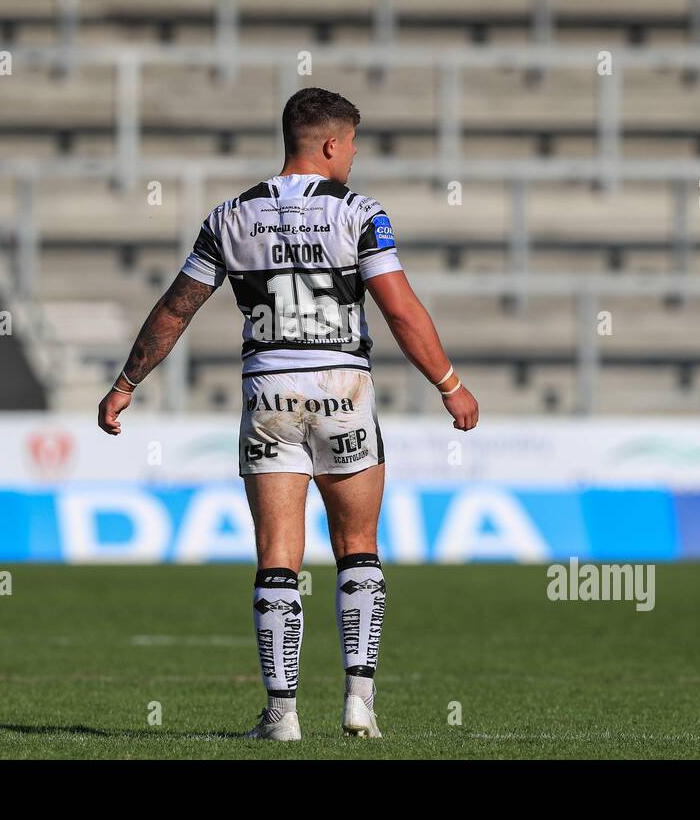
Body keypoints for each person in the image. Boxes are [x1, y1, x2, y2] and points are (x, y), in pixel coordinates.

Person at [97, 87, 479, 740]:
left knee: (278, 556)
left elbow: (177, 307)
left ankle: (281, 715)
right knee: (358, 546)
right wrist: (448, 383)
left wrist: (128, 380)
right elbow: (400, 308)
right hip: (344, 389)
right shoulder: (360, 213)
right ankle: (359, 700)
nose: (354, 155)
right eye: (352, 143)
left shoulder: (229, 216)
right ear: (330, 144)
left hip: (270, 392)